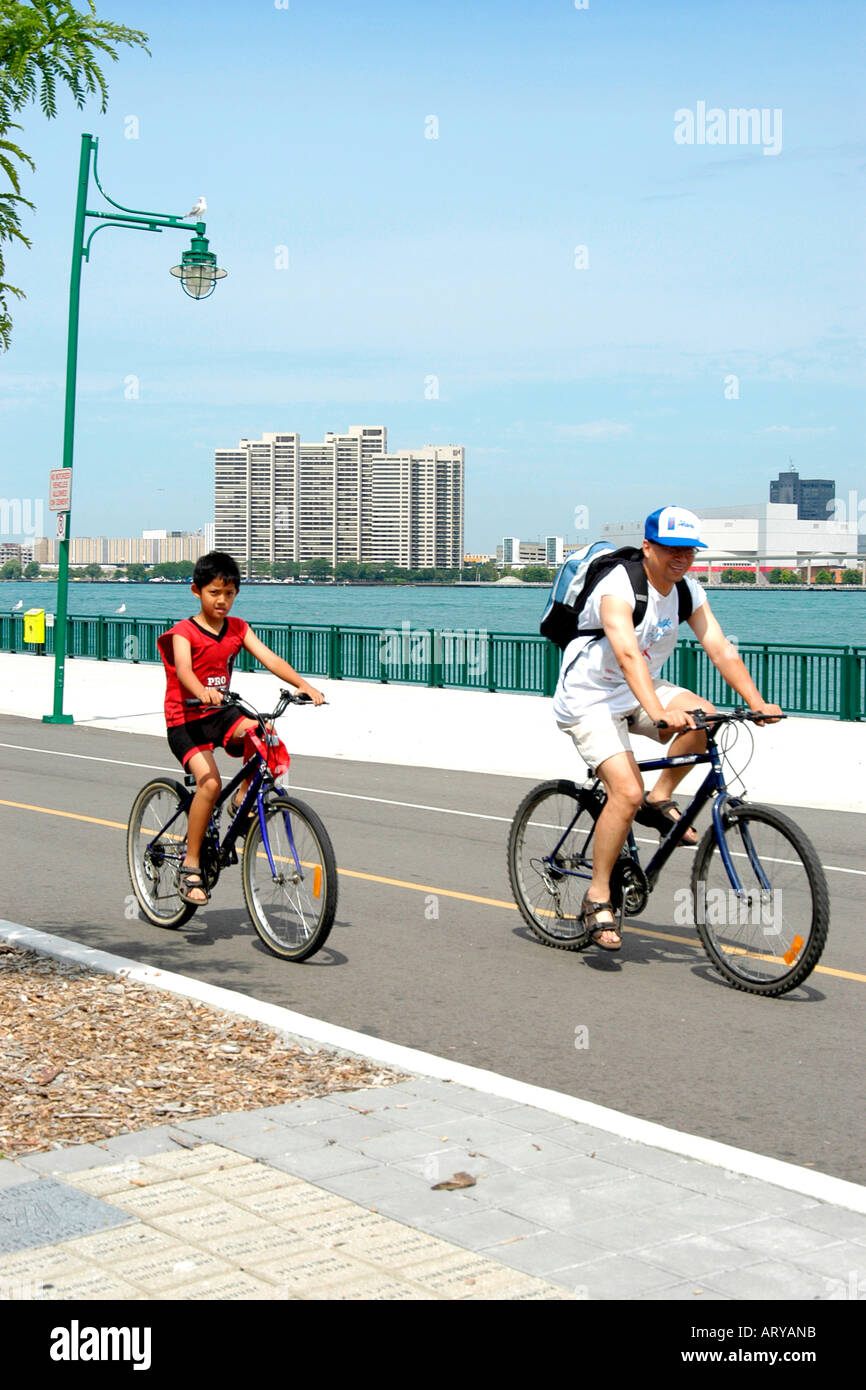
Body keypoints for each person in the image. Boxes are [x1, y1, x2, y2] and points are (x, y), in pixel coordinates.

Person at [552, 506, 782, 951]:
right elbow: (627, 653)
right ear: (649, 547)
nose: (682, 559)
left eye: (689, 551)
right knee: (626, 791)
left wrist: (757, 703)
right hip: (589, 696)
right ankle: (598, 895)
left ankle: (661, 798)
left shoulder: (686, 590)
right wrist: (657, 711)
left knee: (705, 716)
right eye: (673, 549)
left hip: (638, 689)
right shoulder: (620, 585)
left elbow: (718, 645)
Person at [157, 551, 325, 906]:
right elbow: (185, 670)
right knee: (209, 782)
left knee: (262, 731)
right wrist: (200, 690)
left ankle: (241, 799)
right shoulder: (182, 633)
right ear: (196, 591)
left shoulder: (237, 628)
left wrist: (303, 685)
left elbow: (270, 659)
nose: (222, 601)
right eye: (214, 592)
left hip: (220, 712)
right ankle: (191, 866)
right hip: (185, 718)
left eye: (229, 593)